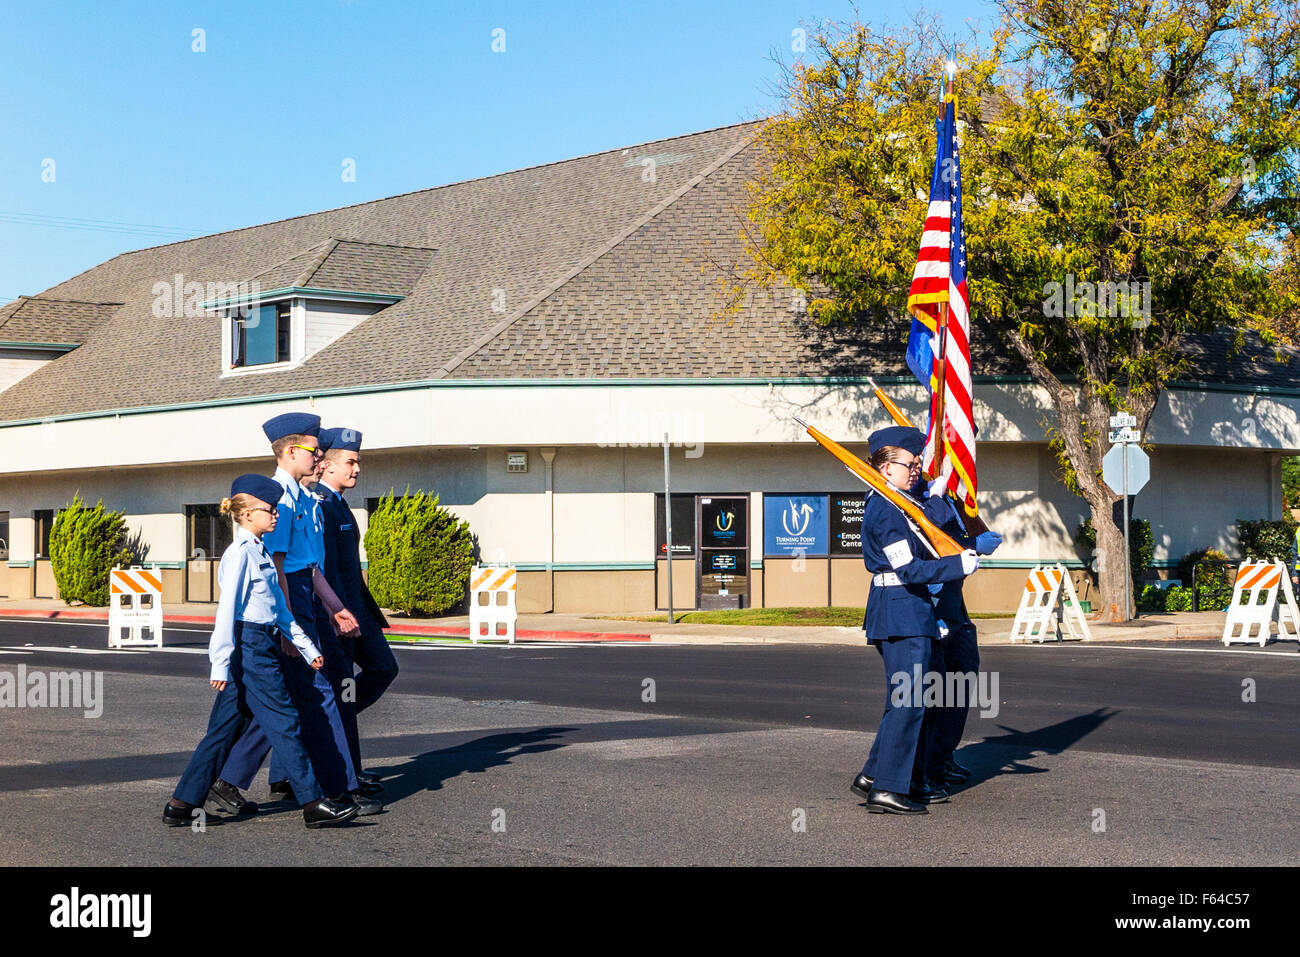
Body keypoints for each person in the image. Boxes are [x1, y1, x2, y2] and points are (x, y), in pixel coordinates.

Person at [163, 475, 359, 829]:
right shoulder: (240, 555)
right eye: (270, 510)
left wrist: (305, 645)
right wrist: (220, 664)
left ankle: (181, 804)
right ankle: (314, 803)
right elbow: (228, 612)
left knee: (224, 730)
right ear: (249, 514)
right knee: (286, 723)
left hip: (261, 640)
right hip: (251, 647)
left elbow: (279, 610)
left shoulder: (259, 550)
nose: (276, 515)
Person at [211, 413, 382, 816]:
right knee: (317, 694)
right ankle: (337, 788)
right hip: (290, 602)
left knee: (301, 696)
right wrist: (290, 626)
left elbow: (310, 565)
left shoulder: (305, 497)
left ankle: (232, 782)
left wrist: (335, 607)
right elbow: (281, 564)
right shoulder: (281, 500)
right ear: (291, 451)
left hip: (307, 597)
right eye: (313, 448)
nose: (320, 454)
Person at [850, 426, 978, 815]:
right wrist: (957, 564)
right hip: (900, 610)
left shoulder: (899, 504)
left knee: (906, 701)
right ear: (886, 468)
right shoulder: (886, 510)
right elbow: (908, 570)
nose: (917, 470)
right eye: (911, 464)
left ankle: (877, 775)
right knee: (909, 703)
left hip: (909, 610)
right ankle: (888, 789)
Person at [315, 427, 398, 786]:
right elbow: (320, 569)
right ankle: (347, 775)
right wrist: (334, 612)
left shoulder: (338, 502)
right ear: (328, 466)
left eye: (358, 462)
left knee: (381, 669)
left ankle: (331, 748)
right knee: (339, 692)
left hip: (357, 612)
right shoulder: (319, 505)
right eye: (351, 462)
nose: (357, 469)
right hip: (338, 615)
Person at [918, 477, 1002, 787]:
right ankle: (925, 764)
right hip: (933, 604)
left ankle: (942, 756)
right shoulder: (917, 500)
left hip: (954, 604)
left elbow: (957, 536)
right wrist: (971, 545)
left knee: (961, 679)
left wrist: (974, 538)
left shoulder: (951, 499)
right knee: (934, 691)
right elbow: (930, 544)